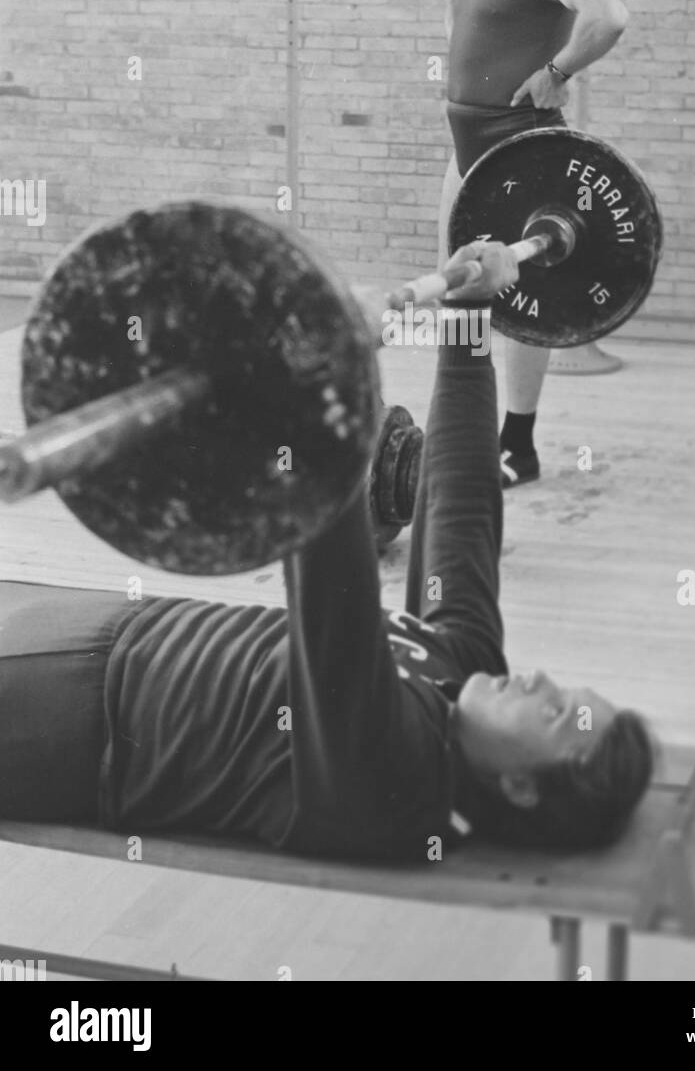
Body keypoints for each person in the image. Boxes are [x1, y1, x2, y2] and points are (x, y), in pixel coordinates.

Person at [0, 240, 653, 861]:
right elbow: (460, 501)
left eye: (556, 712)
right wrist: (468, 316)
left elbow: (329, 588)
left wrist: (332, 382)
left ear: (520, 786)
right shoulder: (466, 668)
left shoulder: (397, 787)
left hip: (64, 722)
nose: (541, 680)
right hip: (111, 629)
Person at [442, 0, 630, 488]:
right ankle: (465, 428)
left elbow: (607, 15)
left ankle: (516, 446)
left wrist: (556, 71)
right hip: (465, 147)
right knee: (460, 287)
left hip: (519, 148)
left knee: (522, 302)